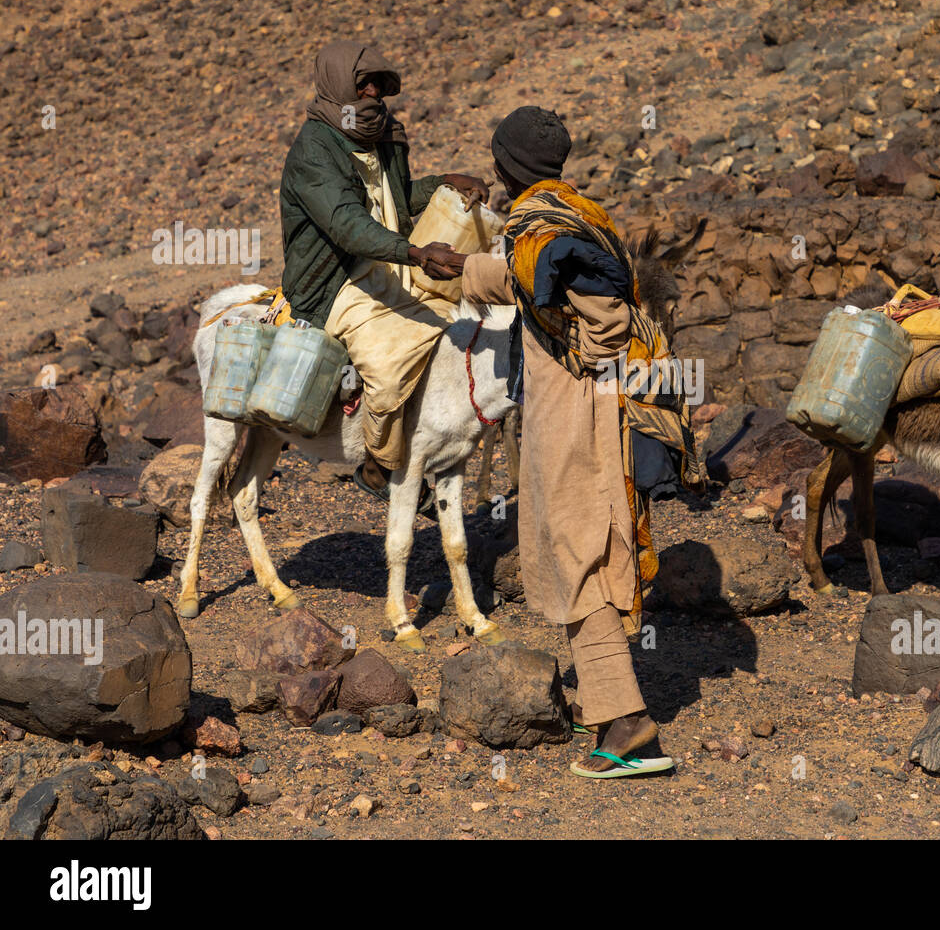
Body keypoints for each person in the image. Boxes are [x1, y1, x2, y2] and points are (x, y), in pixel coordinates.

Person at [460, 106, 701, 777]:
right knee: (575, 547)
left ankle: (627, 725)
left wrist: (582, 357)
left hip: (577, 406)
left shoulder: (539, 222)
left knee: (581, 548)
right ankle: (616, 721)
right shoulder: (571, 212)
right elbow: (535, 282)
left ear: (506, 167)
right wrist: (467, 272)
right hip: (570, 404)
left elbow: (605, 313)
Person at [279, 40, 487, 505]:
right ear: (338, 85)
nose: (374, 92)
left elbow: (393, 199)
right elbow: (347, 224)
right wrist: (414, 254)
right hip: (335, 281)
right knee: (390, 368)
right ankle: (378, 466)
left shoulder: (383, 134)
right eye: (363, 83)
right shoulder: (314, 151)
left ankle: (426, 443)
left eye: (379, 83)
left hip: (387, 262)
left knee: (459, 326)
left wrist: (445, 182)